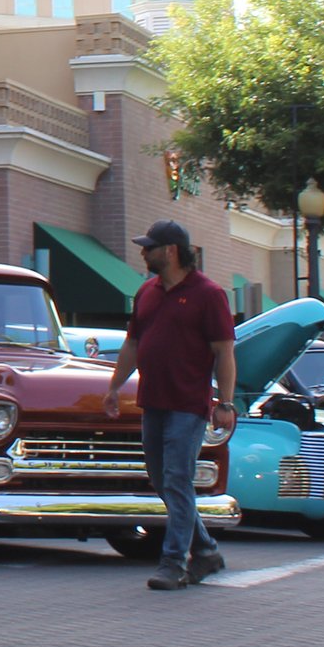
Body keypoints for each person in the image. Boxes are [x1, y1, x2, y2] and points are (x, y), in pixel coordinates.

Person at [102, 219, 236, 591]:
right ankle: (206, 550)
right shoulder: (147, 292)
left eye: (149, 247)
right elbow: (133, 344)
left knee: (177, 479)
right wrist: (114, 387)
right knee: (163, 480)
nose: (143, 253)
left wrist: (225, 403)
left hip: (188, 405)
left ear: (171, 251)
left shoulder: (209, 294)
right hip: (154, 401)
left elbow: (224, 352)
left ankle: (174, 563)